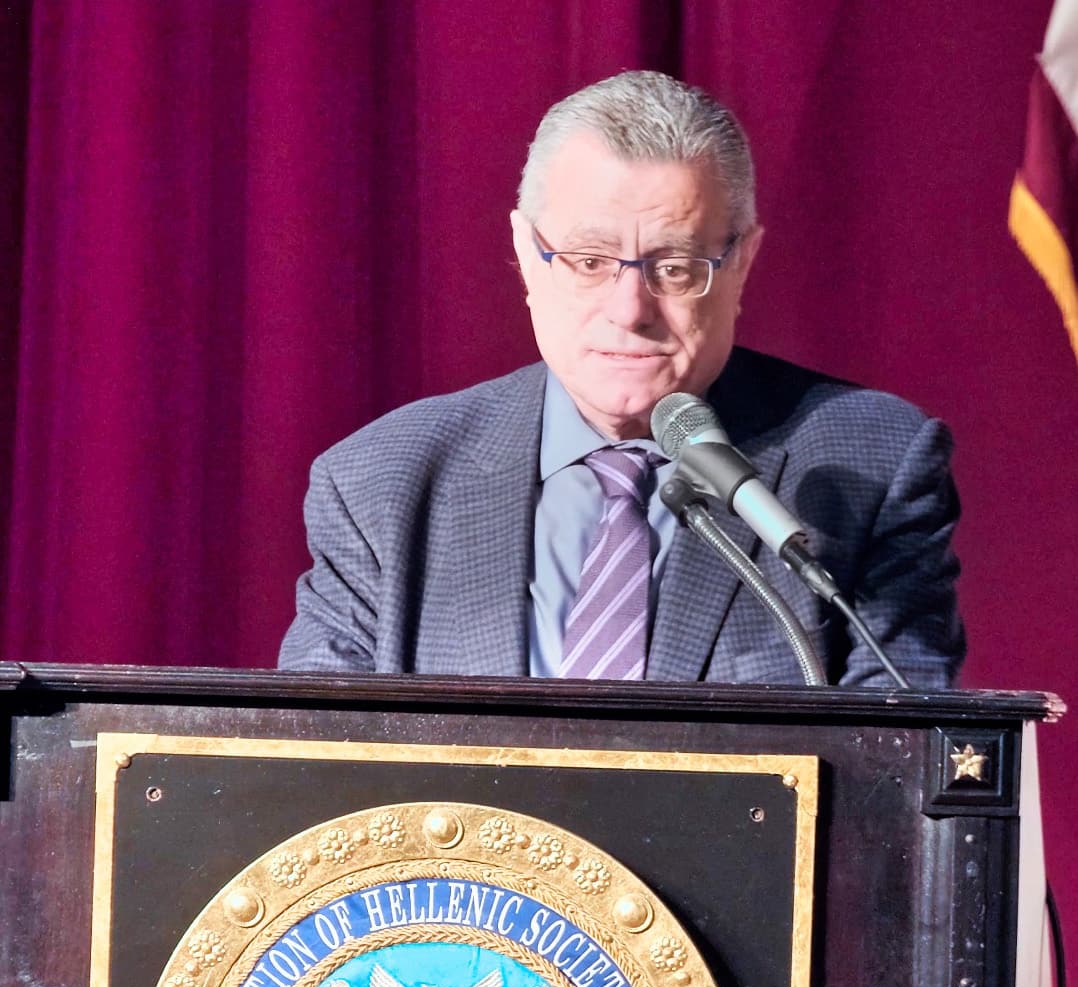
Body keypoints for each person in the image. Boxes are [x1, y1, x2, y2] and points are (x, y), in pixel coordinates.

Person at [279, 71, 964, 687]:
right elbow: (317, 764)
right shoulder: (379, 484)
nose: (629, 309)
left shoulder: (870, 468)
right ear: (526, 254)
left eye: (675, 267)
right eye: (588, 261)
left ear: (742, 263)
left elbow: (901, 759)